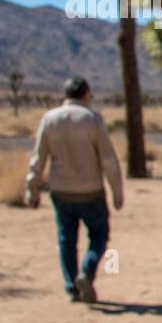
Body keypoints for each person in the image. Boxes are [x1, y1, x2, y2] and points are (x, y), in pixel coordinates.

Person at [24, 76, 124, 302]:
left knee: (66, 240)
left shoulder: (49, 119)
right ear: (86, 94)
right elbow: (109, 160)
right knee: (99, 234)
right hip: (91, 192)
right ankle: (86, 272)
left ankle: (72, 287)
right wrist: (117, 192)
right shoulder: (92, 119)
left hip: (61, 191)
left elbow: (38, 158)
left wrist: (32, 189)